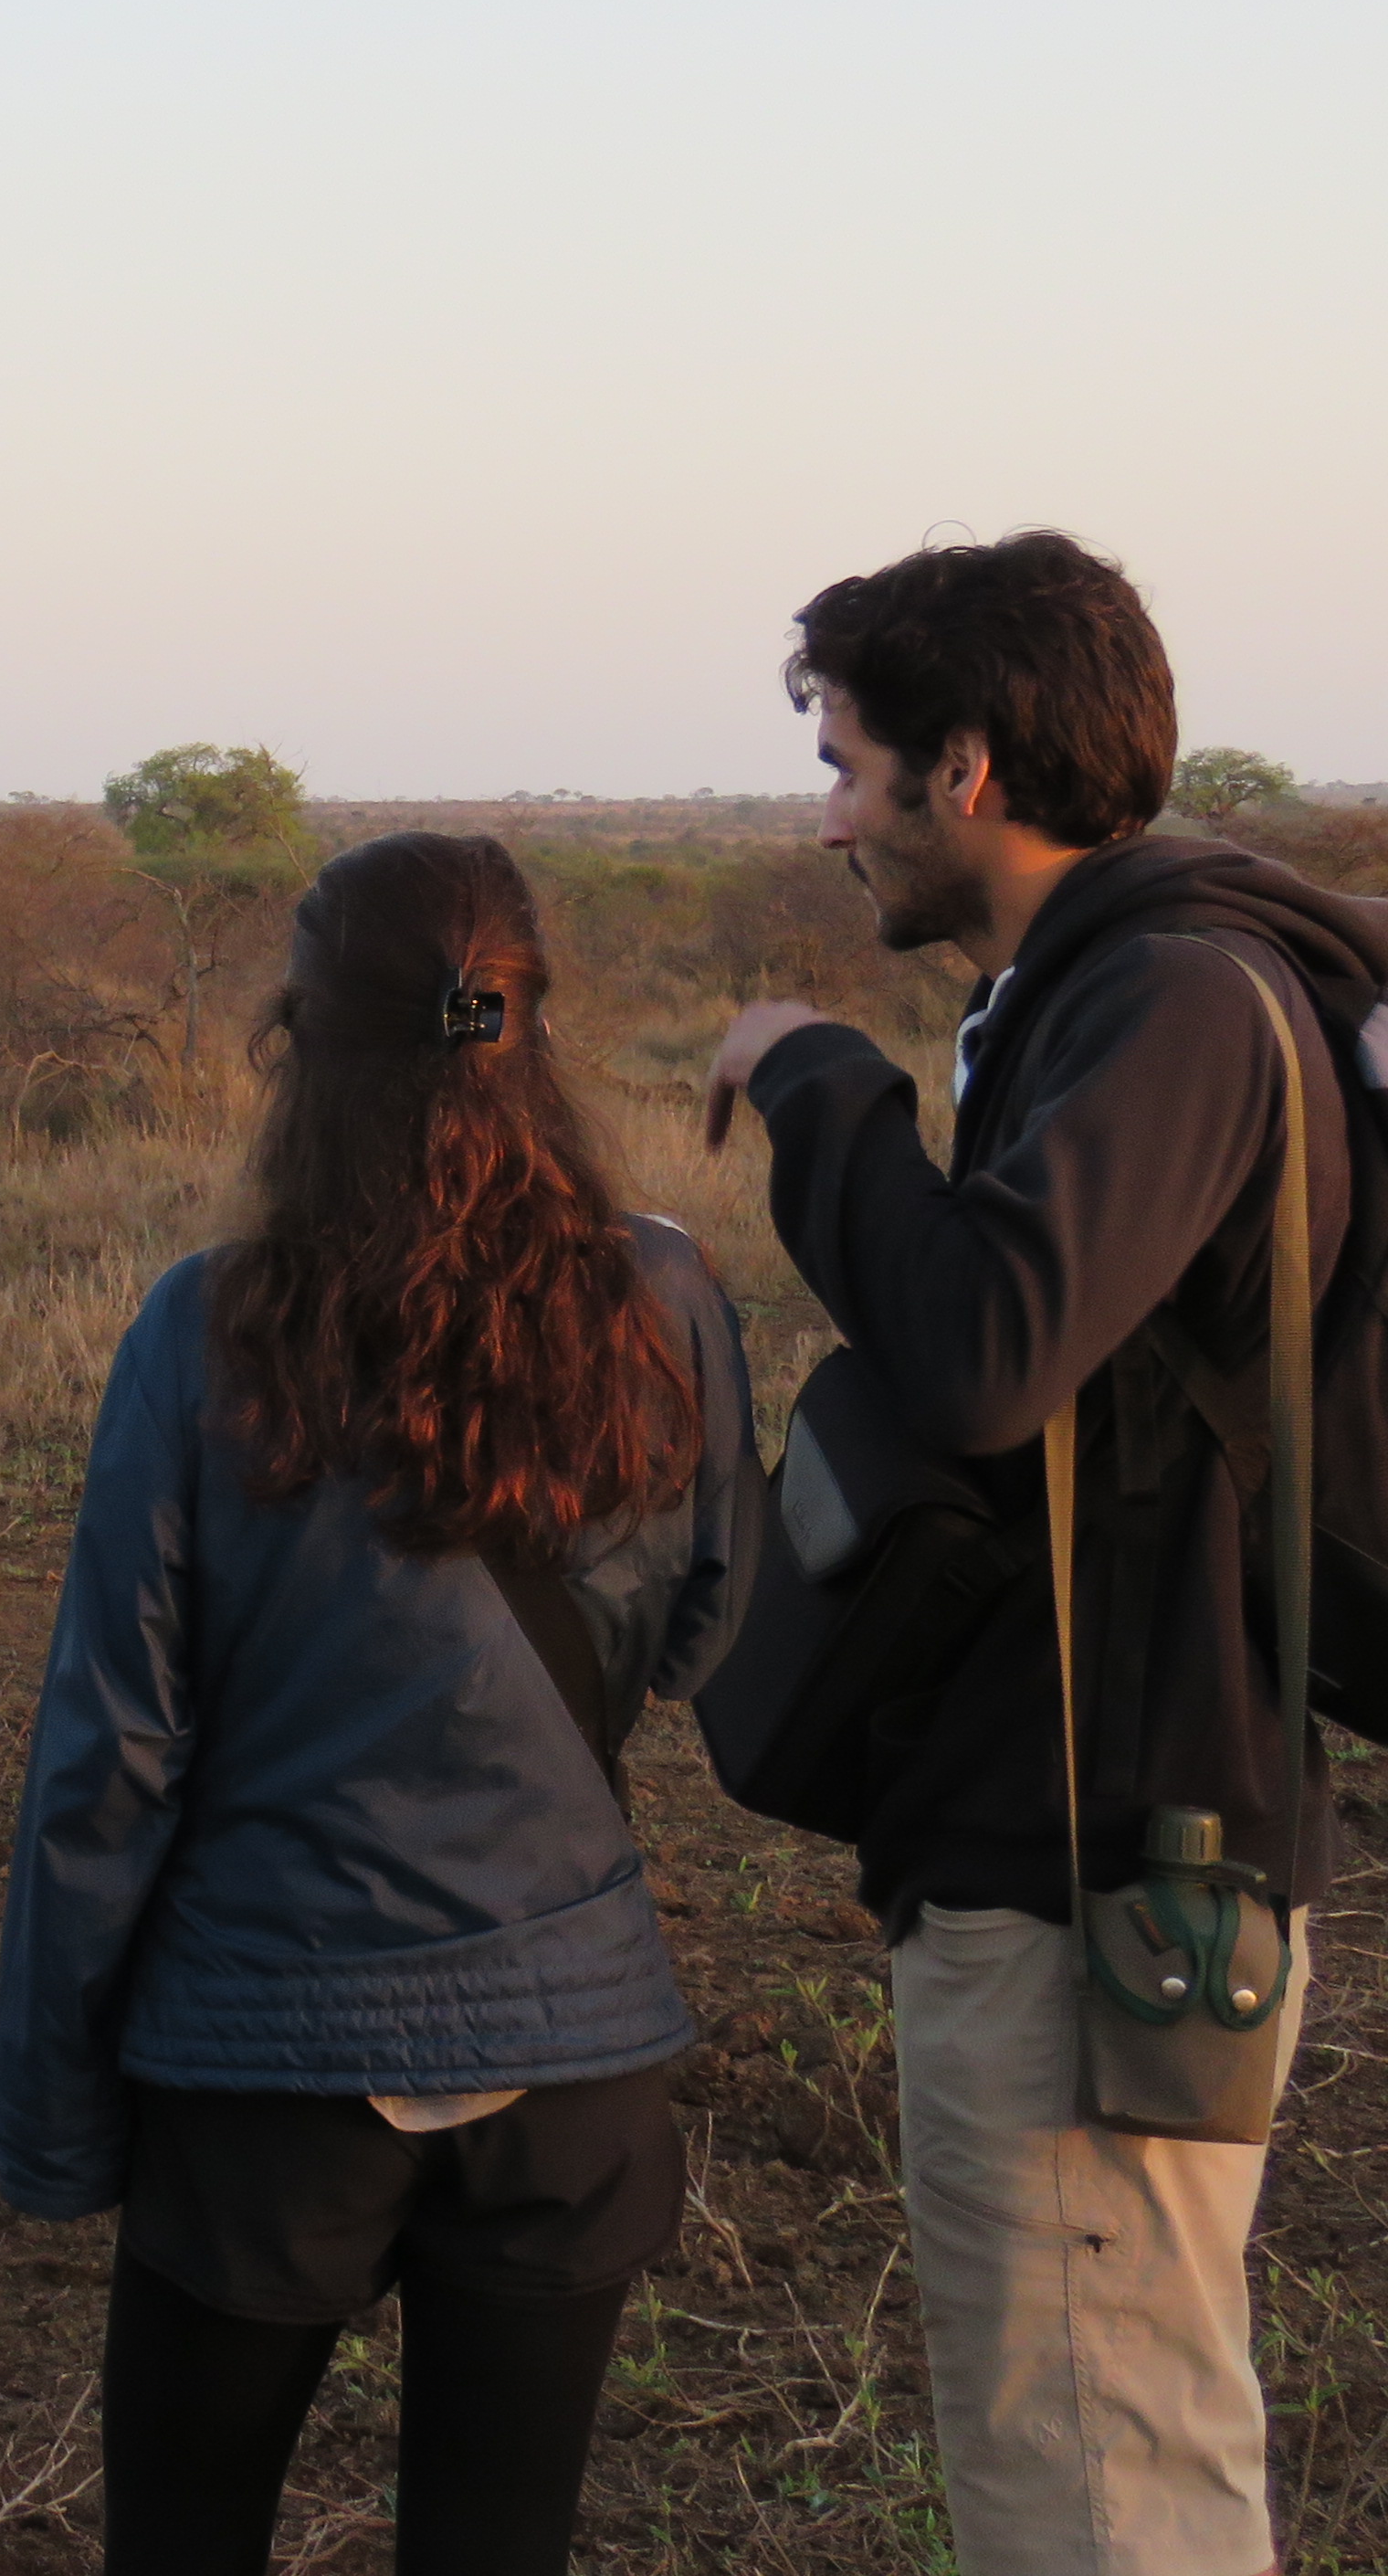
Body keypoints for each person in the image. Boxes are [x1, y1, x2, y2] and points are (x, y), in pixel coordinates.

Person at [702, 533, 1367, 2575]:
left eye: (847, 762)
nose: (829, 815)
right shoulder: (1103, 993)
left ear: (965, 769)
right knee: (1104, 2436)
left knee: (1098, 2471)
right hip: (1094, 1811)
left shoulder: (1171, 997)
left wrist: (818, 1087)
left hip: (1112, 1845)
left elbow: (989, 1354)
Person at [0, 831, 752, 2576]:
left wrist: (54, 2116)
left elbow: (106, 1759)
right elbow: (709, 1628)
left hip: (264, 2076)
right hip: (569, 2062)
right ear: (532, 1027)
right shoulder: (670, 1295)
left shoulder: (207, 1328)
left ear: (298, 1047)